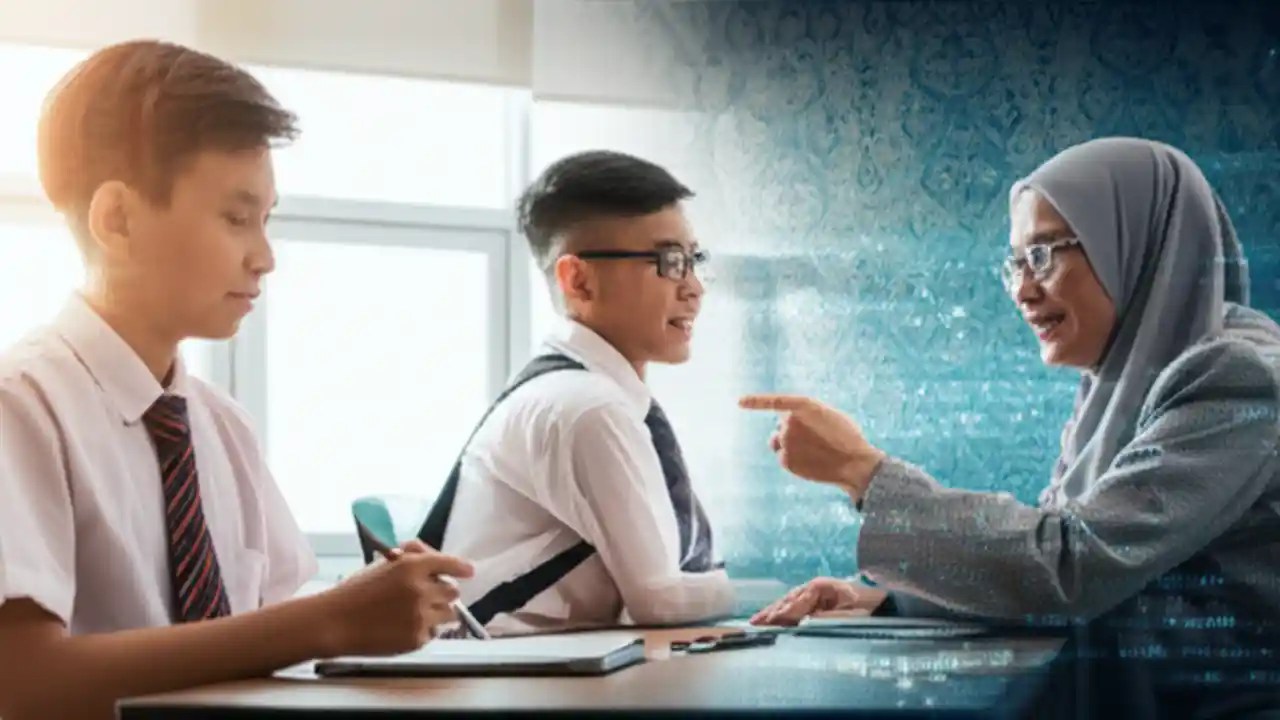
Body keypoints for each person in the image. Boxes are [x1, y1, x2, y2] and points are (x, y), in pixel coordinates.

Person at [0, 40, 472, 720]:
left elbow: (269, 632)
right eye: (236, 218)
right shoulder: (23, 406)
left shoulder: (220, 425)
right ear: (118, 220)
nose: (265, 257)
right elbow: (22, 679)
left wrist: (377, 603)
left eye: (267, 220)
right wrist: (332, 619)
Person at [743, 138, 1280, 716]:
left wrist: (863, 473)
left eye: (1045, 255)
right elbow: (1043, 563)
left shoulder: (1235, 375)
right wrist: (881, 599)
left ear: (1137, 244)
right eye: (1016, 263)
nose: (1023, 290)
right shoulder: (1117, 388)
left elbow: (1076, 567)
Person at [423, 150, 734, 635]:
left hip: (538, 677)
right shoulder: (589, 408)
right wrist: (766, 586)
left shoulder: (581, 392)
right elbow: (658, 599)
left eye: (695, 260)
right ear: (579, 280)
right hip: (514, 688)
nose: (694, 288)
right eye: (669, 262)